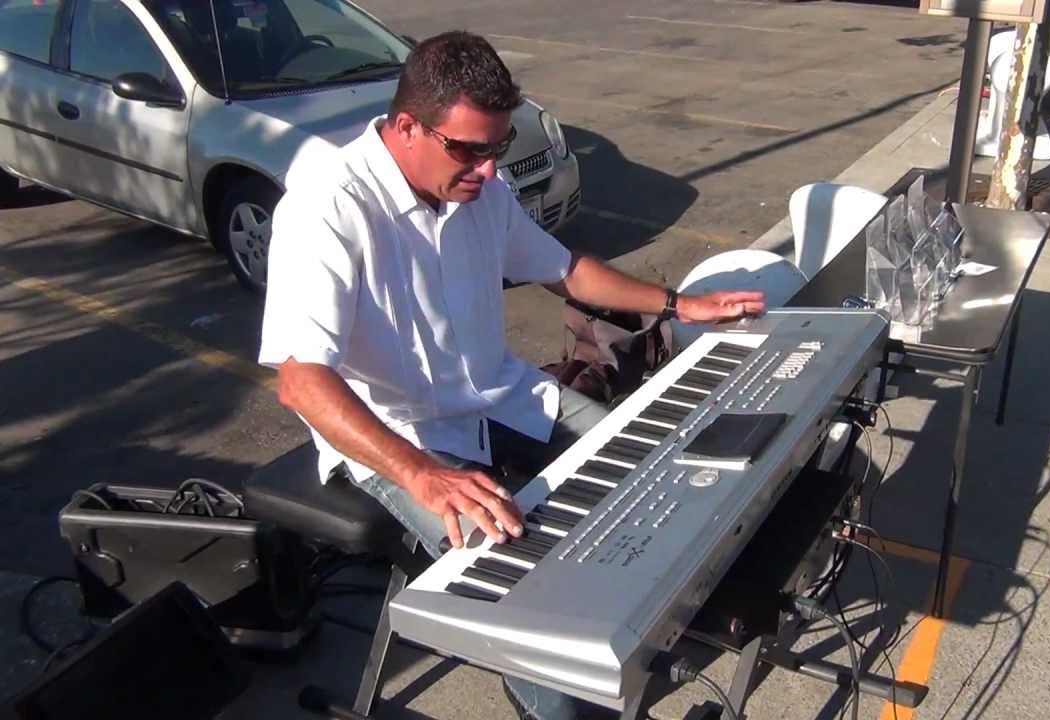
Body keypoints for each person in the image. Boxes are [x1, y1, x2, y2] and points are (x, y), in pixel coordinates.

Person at [257, 30, 765, 720]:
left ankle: (641, 635)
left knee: (659, 466)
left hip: (503, 394)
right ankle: (553, 702)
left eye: (497, 149)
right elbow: (300, 380)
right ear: (406, 126)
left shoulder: (479, 190)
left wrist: (680, 303)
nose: (489, 171)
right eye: (468, 150)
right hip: (402, 436)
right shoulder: (328, 209)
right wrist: (423, 474)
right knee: (526, 595)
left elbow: (564, 269)